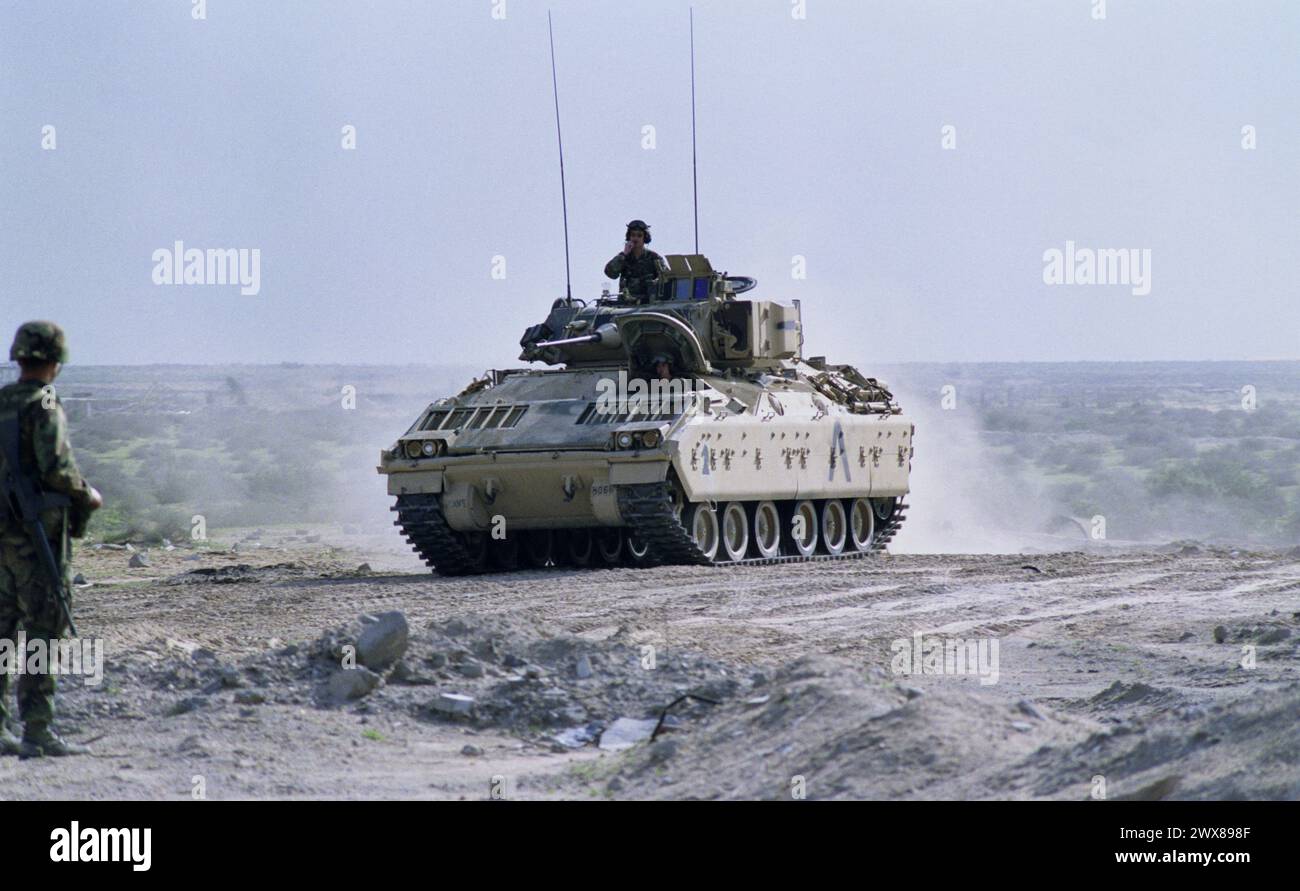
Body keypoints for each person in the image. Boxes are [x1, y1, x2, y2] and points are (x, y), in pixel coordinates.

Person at [0, 321, 102, 757]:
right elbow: (57, 470)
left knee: (4, 631)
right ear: (56, 362)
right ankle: (37, 731)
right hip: (37, 535)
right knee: (44, 630)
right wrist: (87, 495)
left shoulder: (3, 401)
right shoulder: (45, 402)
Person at [603, 219, 663, 303]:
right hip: (626, 304)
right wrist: (624, 254)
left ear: (645, 238)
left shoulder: (654, 258)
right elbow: (610, 273)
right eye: (633, 235)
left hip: (647, 305)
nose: (636, 238)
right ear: (629, 237)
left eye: (639, 235)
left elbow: (666, 278)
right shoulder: (623, 257)